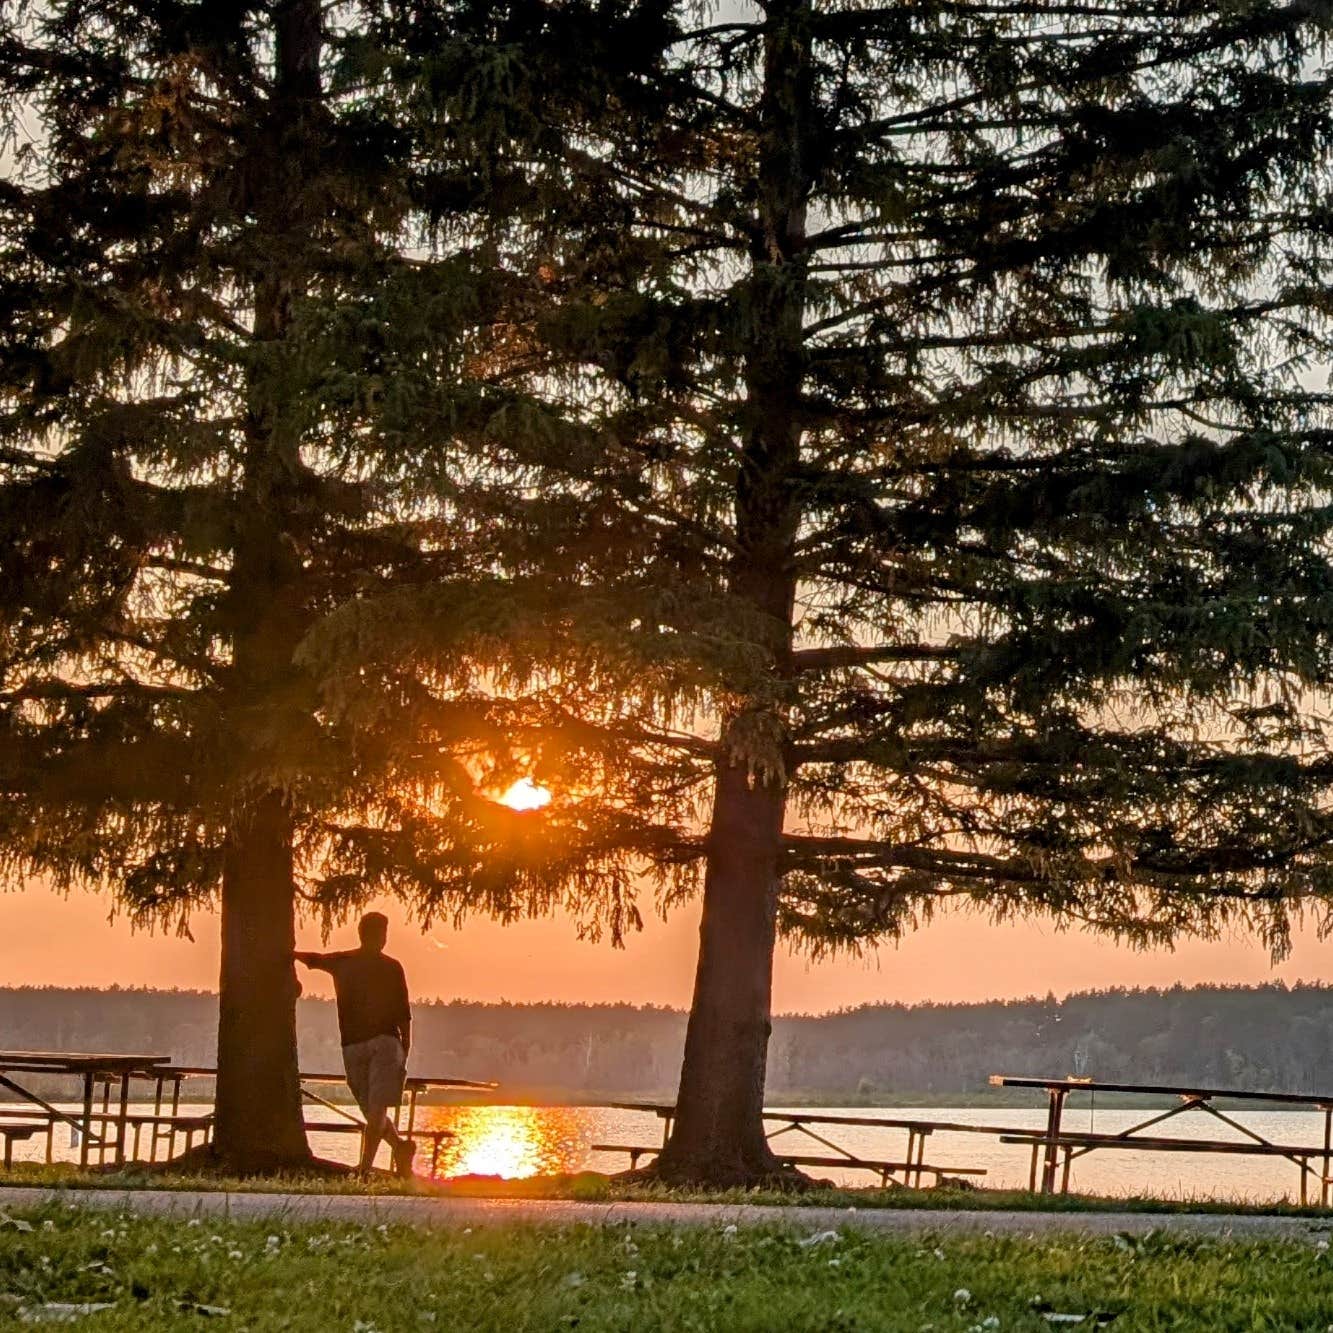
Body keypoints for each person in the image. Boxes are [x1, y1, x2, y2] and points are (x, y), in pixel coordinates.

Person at [296, 913, 416, 1178]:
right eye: (382, 933)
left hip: (382, 1043)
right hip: (354, 1045)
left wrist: (404, 1046)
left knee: (376, 1109)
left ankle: (365, 1167)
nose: (383, 939)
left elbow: (402, 1010)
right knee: (370, 1107)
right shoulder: (348, 961)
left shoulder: (359, 963)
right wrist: (291, 953)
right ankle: (400, 1148)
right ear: (376, 935)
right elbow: (404, 1012)